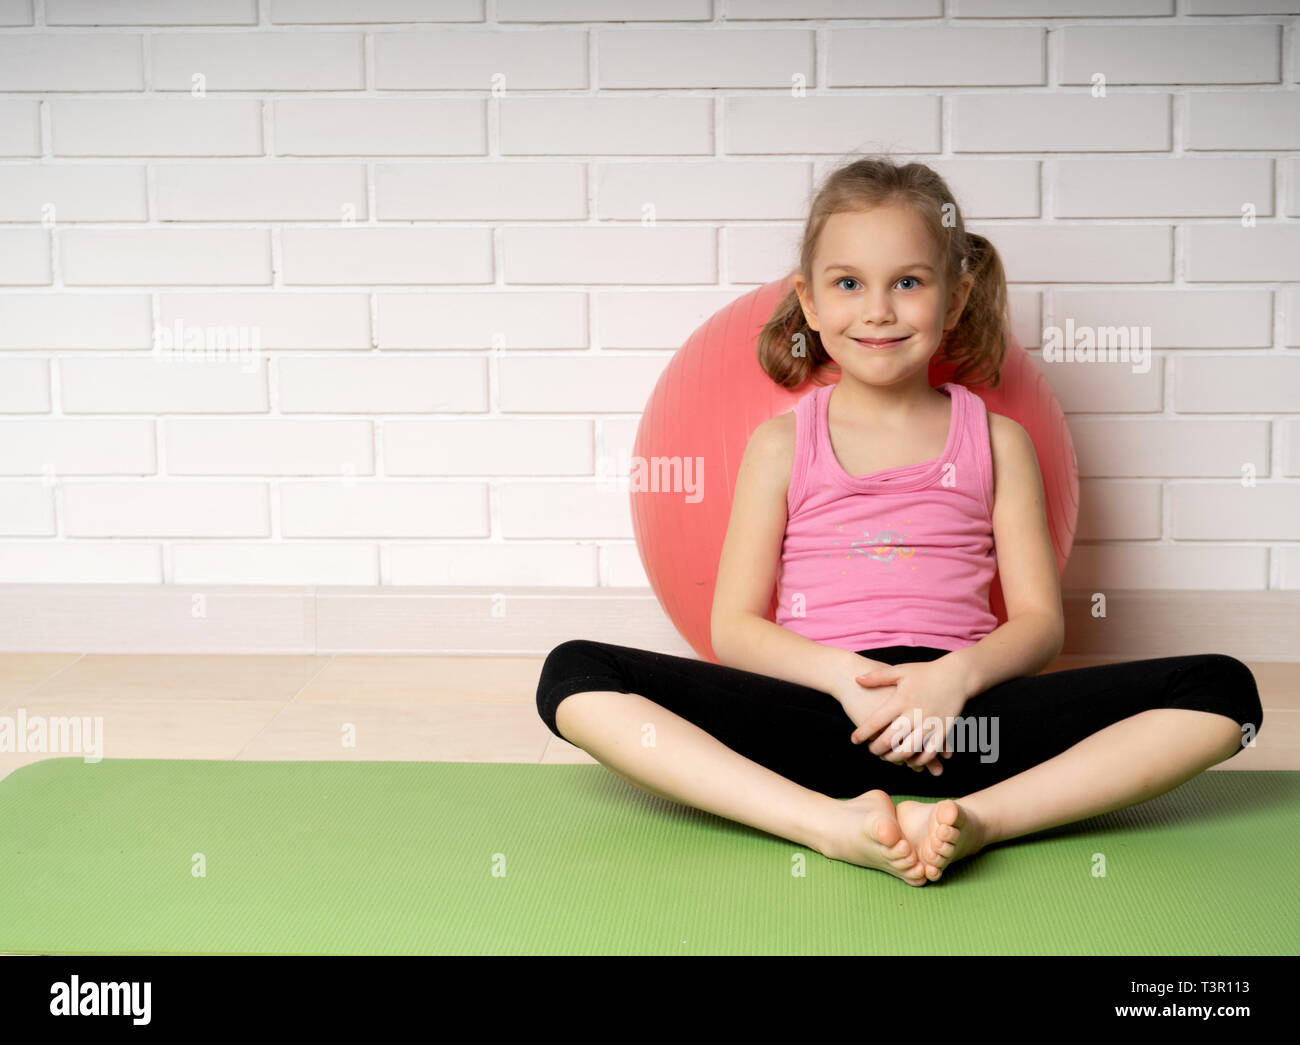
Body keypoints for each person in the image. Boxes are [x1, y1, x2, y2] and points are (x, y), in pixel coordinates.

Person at [535, 156, 1264, 887]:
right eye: (849, 283)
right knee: (573, 673)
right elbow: (734, 625)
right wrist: (846, 680)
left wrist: (950, 682)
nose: (878, 309)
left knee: (1226, 692)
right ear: (810, 302)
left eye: (908, 282)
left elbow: (1042, 623)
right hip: (818, 716)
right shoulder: (781, 444)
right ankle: (828, 822)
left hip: (971, 725)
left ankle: (983, 819)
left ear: (954, 298)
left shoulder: (999, 440)